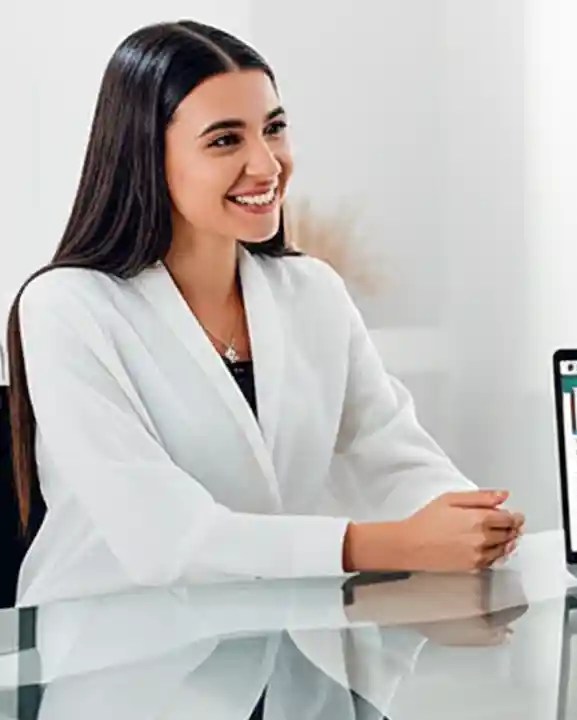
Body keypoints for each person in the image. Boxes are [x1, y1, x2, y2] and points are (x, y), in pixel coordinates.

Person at [5, 21, 524, 607]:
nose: (267, 164)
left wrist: (470, 523)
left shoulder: (311, 291)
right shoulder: (67, 308)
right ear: (145, 156)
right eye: (226, 140)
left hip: (278, 641)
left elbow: (391, 453)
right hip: (120, 657)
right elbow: (164, 539)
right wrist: (397, 546)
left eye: (274, 129)